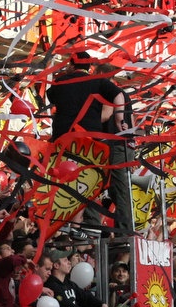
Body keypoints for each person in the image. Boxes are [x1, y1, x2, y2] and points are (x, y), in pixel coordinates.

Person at [46, 51, 134, 235]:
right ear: (90, 68)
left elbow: (51, 96)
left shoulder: (62, 81)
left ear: (71, 65)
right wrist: (119, 120)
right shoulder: (98, 84)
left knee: (65, 179)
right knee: (89, 180)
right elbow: (119, 100)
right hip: (93, 140)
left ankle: (64, 225)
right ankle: (80, 226)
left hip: (65, 138)